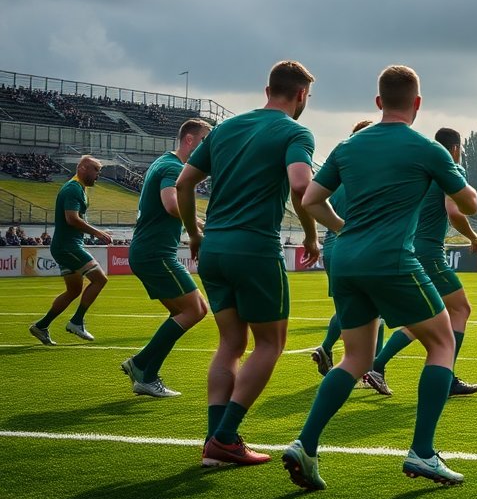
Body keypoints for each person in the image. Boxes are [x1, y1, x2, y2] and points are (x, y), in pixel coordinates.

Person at [282, 65, 477, 491]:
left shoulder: (349, 145)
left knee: (355, 359)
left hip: (347, 260)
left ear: (378, 102)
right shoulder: (427, 148)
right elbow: (470, 204)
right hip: (392, 259)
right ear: (418, 104)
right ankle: (423, 452)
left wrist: (342, 229)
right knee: (442, 341)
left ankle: (306, 444)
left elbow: (312, 199)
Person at [176, 60, 321, 467]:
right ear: (301, 95)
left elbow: (184, 182)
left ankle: (214, 441)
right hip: (255, 249)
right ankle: (224, 437)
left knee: (231, 343)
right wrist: (310, 234)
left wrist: (193, 233)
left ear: (266, 89)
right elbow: (299, 184)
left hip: (214, 249)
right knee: (270, 343)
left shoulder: (224, 129)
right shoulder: (295, 131)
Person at [363, 127, 477, 398]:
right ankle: (447, 378)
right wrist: (474, 237)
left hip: (406, 249)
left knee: (428, 317)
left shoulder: (420, 169)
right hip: (429, 254)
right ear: (455, 149)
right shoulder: (450, 169)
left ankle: (377, 366)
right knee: (461, 309)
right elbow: (454, 211)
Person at [119, 119, 213, 397]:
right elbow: (172, 204)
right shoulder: (172, 167)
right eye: (204, 141)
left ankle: (145, 373)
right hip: (155, 253)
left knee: (185, 311)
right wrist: (200, 226)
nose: (207, 147)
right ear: (189, 140)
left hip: (150, 251)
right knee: (195, 310)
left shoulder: (163, 163)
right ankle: (141, 367)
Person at [310, 119, 377, 376]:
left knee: (347, 307)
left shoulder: (337, 178)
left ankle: (328, 349)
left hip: (332, 246)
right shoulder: (364, 178)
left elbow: (314, 201)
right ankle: (370, 369)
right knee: (372, 308)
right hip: (356, 245)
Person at [29, 155, 113, 344]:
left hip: (66, 245)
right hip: (68, 246)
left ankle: (41, 326)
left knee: (74, 290)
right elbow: (71, 219)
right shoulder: (73, 188)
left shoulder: (79, 189)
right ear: (82, 168)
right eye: (95, 170)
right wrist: (97, 233)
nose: (98, 175)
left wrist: (93, 231)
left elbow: (75, 220)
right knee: (100, 279)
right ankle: (76, 321)